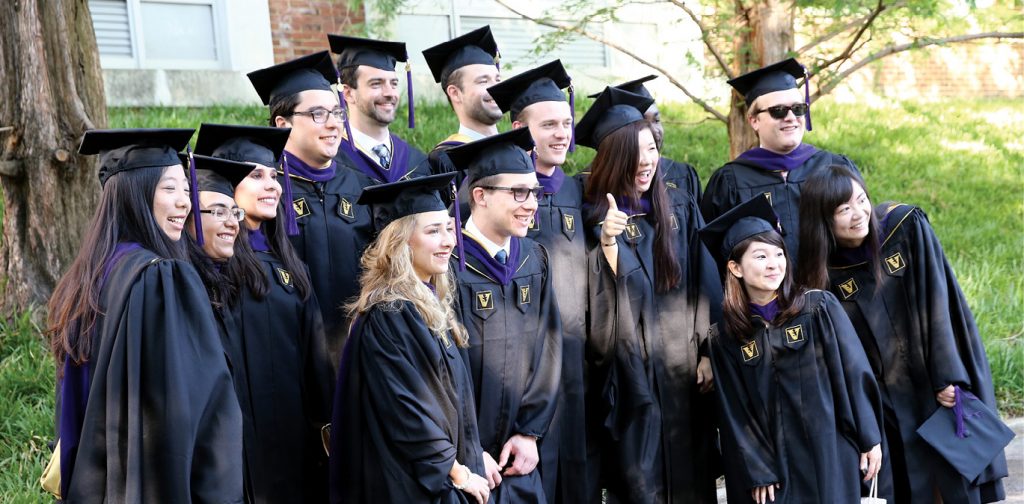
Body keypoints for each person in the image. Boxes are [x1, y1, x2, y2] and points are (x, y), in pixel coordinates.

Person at [48, 129, 242, 501]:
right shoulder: (161, 277)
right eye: (170, 188)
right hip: (152, 483)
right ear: (135, 193)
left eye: (185, 188)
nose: (184, 202)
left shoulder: (89, 277)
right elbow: (196, 407)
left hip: (96, 480)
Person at [795, 164, 1008, 503]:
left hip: (933, 378)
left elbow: (939, 300)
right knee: (903, 481)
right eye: (843, 209)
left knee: (954, 477)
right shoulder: (822, 275)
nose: (858, 214)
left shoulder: (905, 228)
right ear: (822, 220)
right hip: (883, 399)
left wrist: (948, 375)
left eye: (861, 200)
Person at [578, 86, 721, 503]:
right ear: (612, 158)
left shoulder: (677, 206)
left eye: (652, 148)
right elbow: (595, 308)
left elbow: (704, 280)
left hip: (683, 368)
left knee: (693, 476)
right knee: (639, 481)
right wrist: (606, 244)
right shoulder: (588, 216)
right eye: (634, 152)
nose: (647, 161)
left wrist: (709, 352)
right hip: (629, 375)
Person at [699, 195, 885, 504]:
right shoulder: (726, 338)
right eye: (761, 256)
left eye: (779, 254)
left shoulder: (817, 308)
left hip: (828, 453)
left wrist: (869, 437)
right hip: (772, 471)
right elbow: (734, 412)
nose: (774, 264)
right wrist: (757, 470)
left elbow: (854, 372)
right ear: (735, 268)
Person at [194, 124, 335, 503]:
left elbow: (314, 357)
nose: (273, 186)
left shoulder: (289, 262)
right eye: (256, 176)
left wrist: (326, 422)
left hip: (294, 433)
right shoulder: (211, 268)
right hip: (238, 440)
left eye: (274, 176)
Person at [330, 173, 490, 503]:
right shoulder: (391, 314)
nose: (448, 241)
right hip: (413, 481)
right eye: (433, 231)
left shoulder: (427, 304)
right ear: (401, 243)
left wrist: (471, 456)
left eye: (448, 228)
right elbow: (406, 409)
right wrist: (457, 472)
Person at [483, 59, 587, 504]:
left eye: (566, 122)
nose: (562, 134)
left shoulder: (578, 190)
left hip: (574, 361)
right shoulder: (492, 196)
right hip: (517, 368)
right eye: (548, 125)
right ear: (519, 129)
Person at [446, 128, 563, 503]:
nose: (531, 204)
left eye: (534, 192)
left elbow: (549, 347)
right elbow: (440, 371)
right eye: (518, 192)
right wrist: (466, 448)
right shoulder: (446, 266)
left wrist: (530, 432)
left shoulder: (534, 259)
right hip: (465, 469)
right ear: (480, 195)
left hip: (519, 460)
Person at [248, 51, 374, 368]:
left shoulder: (364, 189)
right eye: (318, 114)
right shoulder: (263, 192)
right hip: (288, 353)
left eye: (337, 112)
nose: (333, 124)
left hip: (359, 351)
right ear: (283, 124)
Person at [700, 58, 860, 259]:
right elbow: (713, 256)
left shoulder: (834, 167)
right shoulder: (730, 182)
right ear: (754, 120)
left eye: (798, 108)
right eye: (778, 111)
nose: (791, 117)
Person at [329, 34, 432, 183]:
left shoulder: (417, 161)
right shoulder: (331, 162)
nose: (390, 93)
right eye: (376, 84)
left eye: (394, 84)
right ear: (348, 93)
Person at [600, 75, 702, 206]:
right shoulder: (591, 182)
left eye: (656, 120)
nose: (653, 130)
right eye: (642, 123)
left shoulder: (683, 174)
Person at [422, 25, 502, 156]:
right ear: (455, 93)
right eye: (483, 81)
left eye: (497, 80)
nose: (496, 88)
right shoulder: (447, 159)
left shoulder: (522, 151)